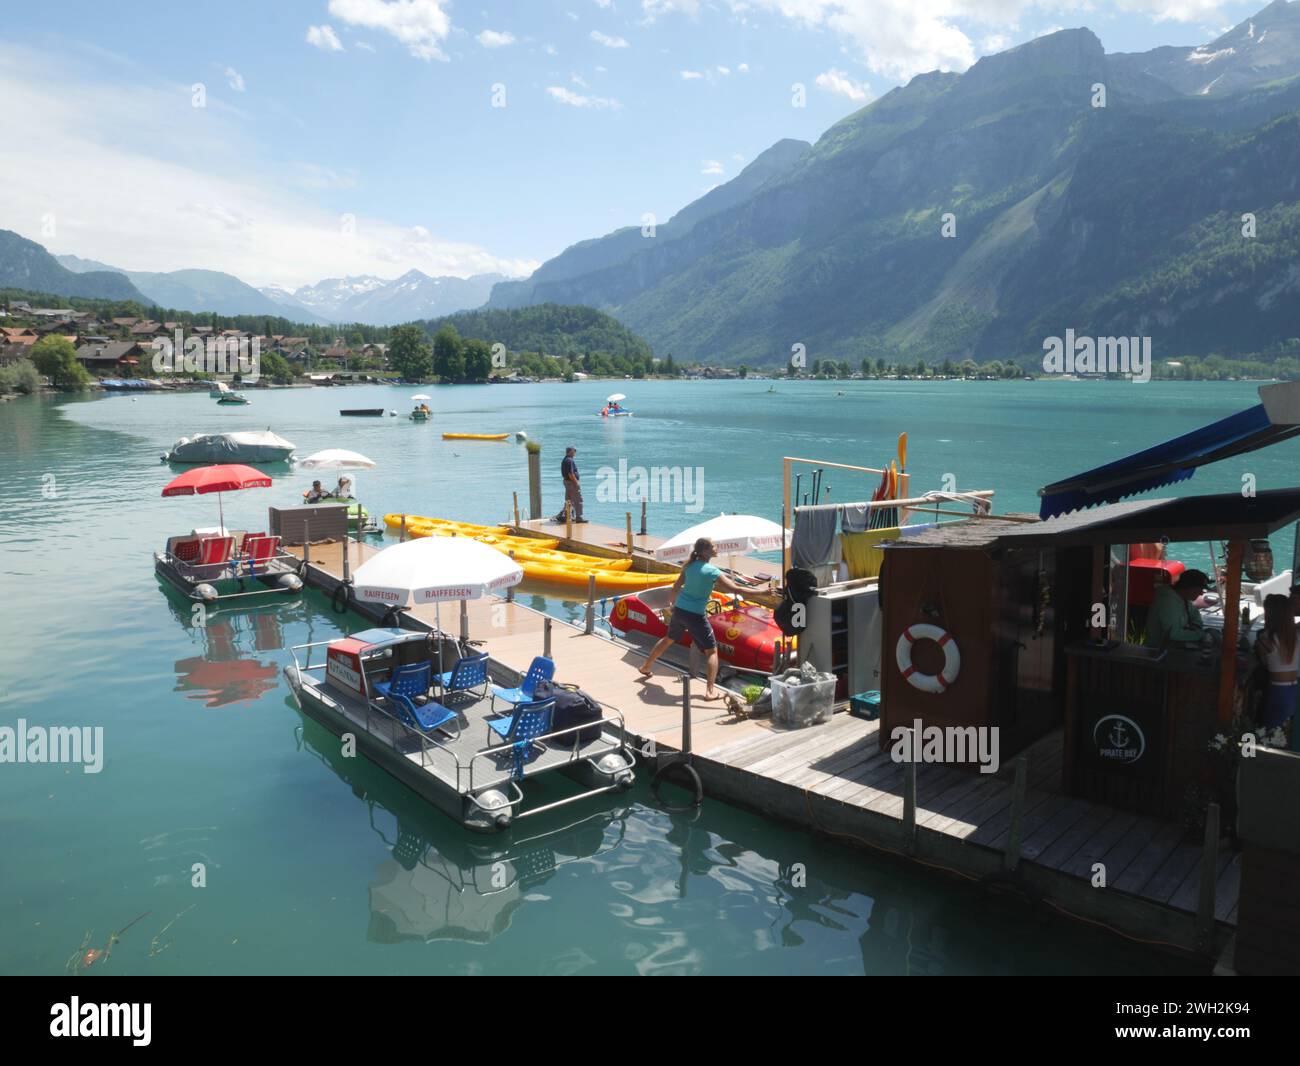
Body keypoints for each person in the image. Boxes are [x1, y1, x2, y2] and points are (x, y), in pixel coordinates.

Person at [638, 537, 755, 700]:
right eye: (714, 546)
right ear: (705, 551)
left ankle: (646, 666)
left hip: (680, 610)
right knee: (711, 651)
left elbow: (676, 586)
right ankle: (710, 691)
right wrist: (761, 593)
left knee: (668, 638)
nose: (716, 548)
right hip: (696, 615)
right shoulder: (713, 571)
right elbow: (736, 588)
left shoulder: (689, 566)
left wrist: (672, 603)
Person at [1255, 593, 1299, 730]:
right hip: (1295, 688)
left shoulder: (1265, 638)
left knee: (1272, 734)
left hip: (1278, 690)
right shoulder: (1296, 635)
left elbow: (1264, 663)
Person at [1144, 569, 1209, 650]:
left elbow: (1195, 615)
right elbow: (1173, 634)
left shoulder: (1183, 597)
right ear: (1189, 587)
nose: (1201, 593)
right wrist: (1202, 635)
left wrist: (1196, 628)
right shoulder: (1167, 602)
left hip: (1173, 647)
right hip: (1158, 651)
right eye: (1200, 589)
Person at [552, 445, 586, 523]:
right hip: (571, 483)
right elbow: (571, 474)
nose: (575, 452)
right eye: (574, 451)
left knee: (569, 500)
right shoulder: (569, 460)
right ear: (570, 451)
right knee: (578, 500)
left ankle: (567, 516)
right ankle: (579, 518)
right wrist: (576, 482)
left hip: (567, 482)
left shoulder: (565, 460)